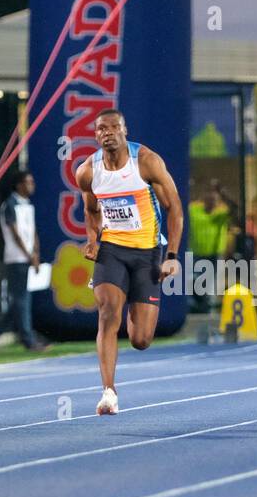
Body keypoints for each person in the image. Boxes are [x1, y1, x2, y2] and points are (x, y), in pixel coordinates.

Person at [75, 109, 183, 416]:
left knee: (141, 339)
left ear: (125, 130)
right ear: (95, 135)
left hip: (148, 253)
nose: (108, 133)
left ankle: (136, 325)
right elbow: (91, 210)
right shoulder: (87, 171)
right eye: (101, 129)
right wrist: (94, 240)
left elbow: (174, 209)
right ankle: (108, 391)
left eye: (114, 127)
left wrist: (172, 257)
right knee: (108, 313)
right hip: (112, 250)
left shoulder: (147, 161)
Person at [0, 170, 46, 351]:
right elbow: (15, 234)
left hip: (29, 257)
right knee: (22, 299)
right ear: (19, 185)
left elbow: (32, 232)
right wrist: (28, 255)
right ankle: (28, 339)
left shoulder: (28, 205)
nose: (32, 185)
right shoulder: (10, 205)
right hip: (16, 258)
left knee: (21, 300)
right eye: (28, 182)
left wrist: (36, 253)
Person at [188, 179, 231, 312]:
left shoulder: (221, 213)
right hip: (195, 255)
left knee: (210, 290)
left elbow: (235, 209)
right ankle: (196, 310)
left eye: (214, 197)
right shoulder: (193, 210)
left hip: (215, 256)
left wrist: (224, 194)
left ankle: (208, 313)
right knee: (194, 285)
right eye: (208, 196)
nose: (211, 199)